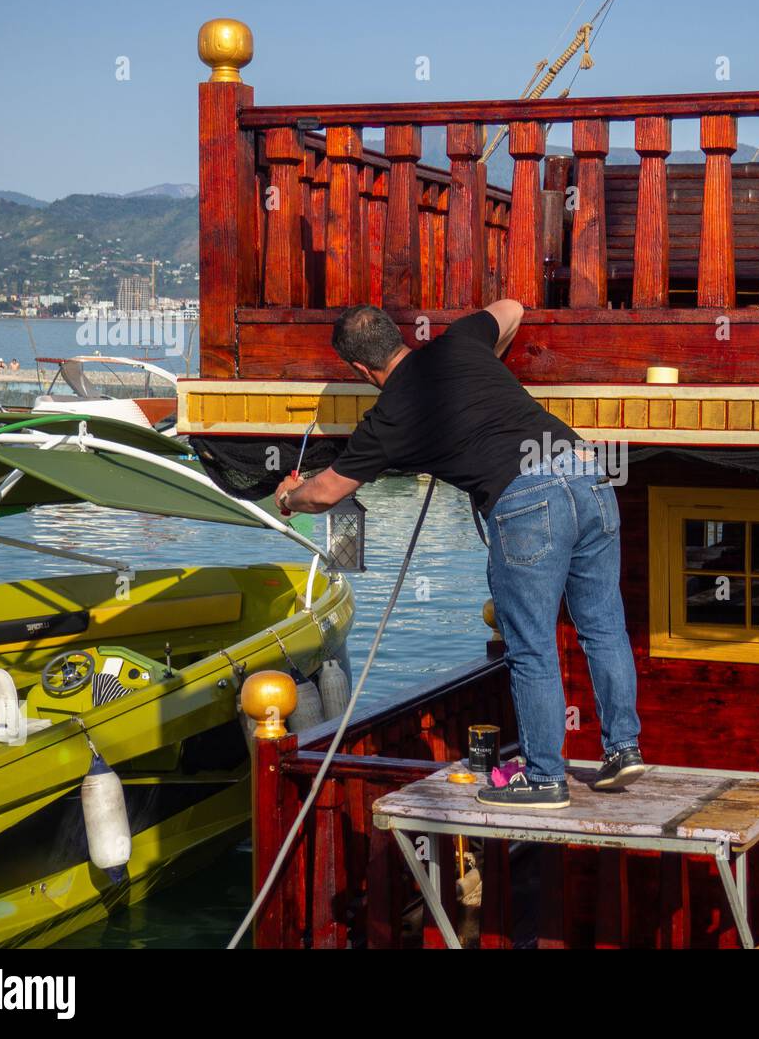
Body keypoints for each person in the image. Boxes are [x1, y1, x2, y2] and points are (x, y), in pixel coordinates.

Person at [274, 301, 643, 809]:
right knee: (603, 625)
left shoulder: (387, 421)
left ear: (361, 370)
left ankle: (544, 778)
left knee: (532, 646)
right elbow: (512, 308)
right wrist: (484, 363)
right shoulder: (460, 341)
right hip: (589, 474)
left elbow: (325, 494)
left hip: (527, 500)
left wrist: (288, 497)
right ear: (397, 334)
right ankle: (623, 749)